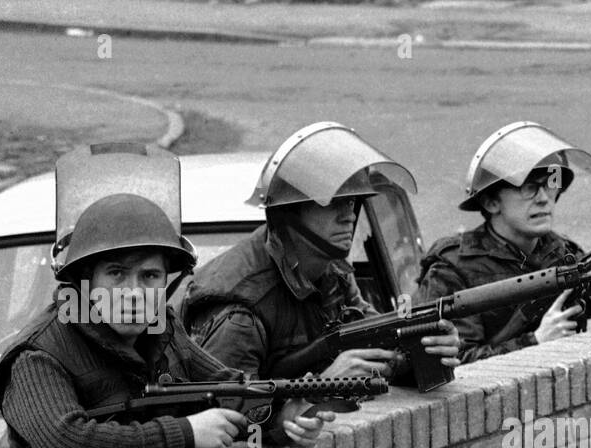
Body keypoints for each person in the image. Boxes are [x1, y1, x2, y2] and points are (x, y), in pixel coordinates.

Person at [0, 146, 334, 448]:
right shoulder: (38, 356)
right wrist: (185, 434)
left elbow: (230, 390)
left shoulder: (162, 330)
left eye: (150, 276)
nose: (134, 292)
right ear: (86, 280)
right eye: (116, 274)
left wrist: (281, 417)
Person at [184, 122, 460, 381]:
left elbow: (374, 342)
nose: (348, 216)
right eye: (333, 203)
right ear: (289, 213)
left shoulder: (331, 271)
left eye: (351, 202)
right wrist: (322, 386)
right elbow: (227, 415)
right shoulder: (240, 312)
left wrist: (424, 348)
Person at [414, 121, 591, 364]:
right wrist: (535, 342)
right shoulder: (453, 267)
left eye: (550, 184)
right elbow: (452, 362)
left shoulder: (560, 253)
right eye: (528, 188)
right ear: (491, 202)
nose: (543, 198)